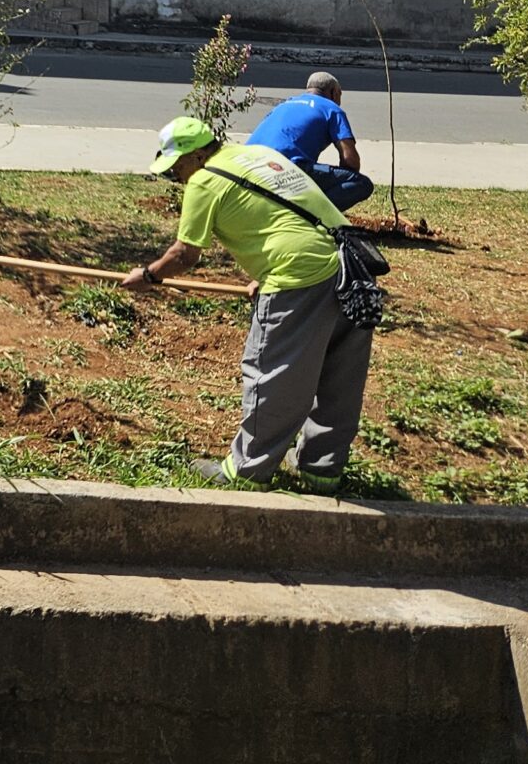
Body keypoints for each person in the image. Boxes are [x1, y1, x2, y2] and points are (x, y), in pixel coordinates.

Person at [124, 115, 374, 494]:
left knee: (272, 373)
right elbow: (298, 209)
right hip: (350, 265)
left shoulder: (204, 181)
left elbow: (184, 254)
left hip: (297, 278)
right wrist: (262, 273)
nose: (176, 176)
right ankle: (322, 472)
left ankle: (247, 471)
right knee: (339, 376)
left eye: (176, 167)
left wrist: (149, 275)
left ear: (196, 156)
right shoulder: (257, 155)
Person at [246, 71, 372, 212]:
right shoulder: (332, 109)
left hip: (248, 164)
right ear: (334, 93)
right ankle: (312, 216)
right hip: (285, 167)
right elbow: (350, 160)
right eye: (339, 95)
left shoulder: (283, 105)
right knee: (361, 183)